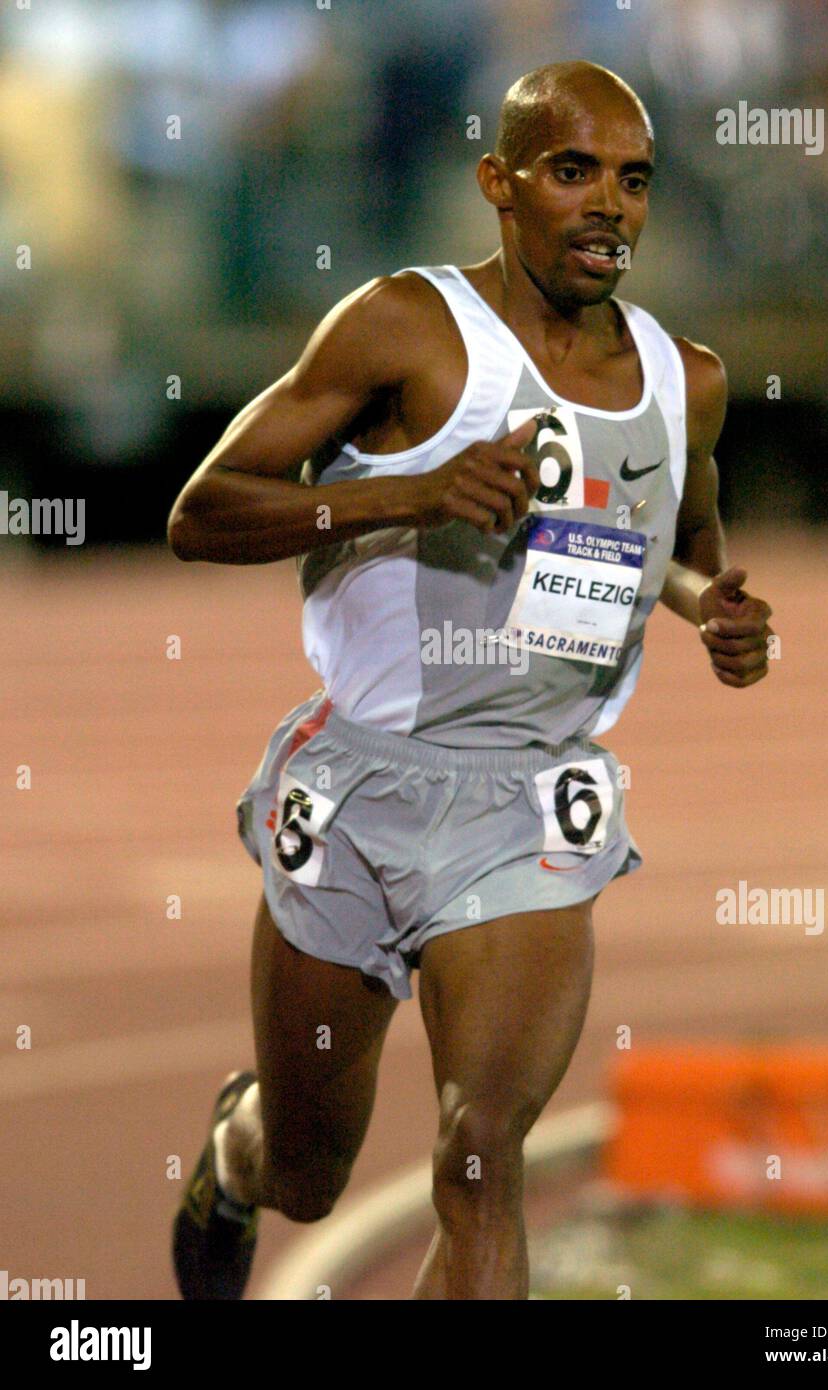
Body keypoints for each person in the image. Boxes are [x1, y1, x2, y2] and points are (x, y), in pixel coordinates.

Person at [167, 60, 774, 1301]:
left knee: (479, 1153)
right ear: (499, 183)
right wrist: (409, 490)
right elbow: (201, 511)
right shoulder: (406, 327)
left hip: (528, 807)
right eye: (572, 171)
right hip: (357, 786)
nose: (608, 204)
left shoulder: (684, 381)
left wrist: (713, 608)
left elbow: (681, 534)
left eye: (632, 179)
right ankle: (239, 1149)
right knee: (307, 1170)